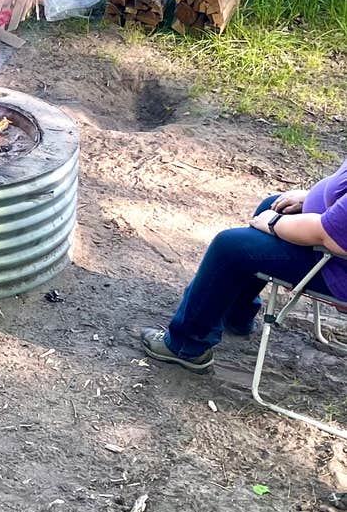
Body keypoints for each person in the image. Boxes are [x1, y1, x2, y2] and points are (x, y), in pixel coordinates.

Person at [141, 159, 347, 371]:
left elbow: (327, 235)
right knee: (272, 204)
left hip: (334, 266)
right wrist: (315, 197)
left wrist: (274, 223)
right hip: (330, 244)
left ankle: (185, 346)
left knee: (230, 247)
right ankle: (235, 315)